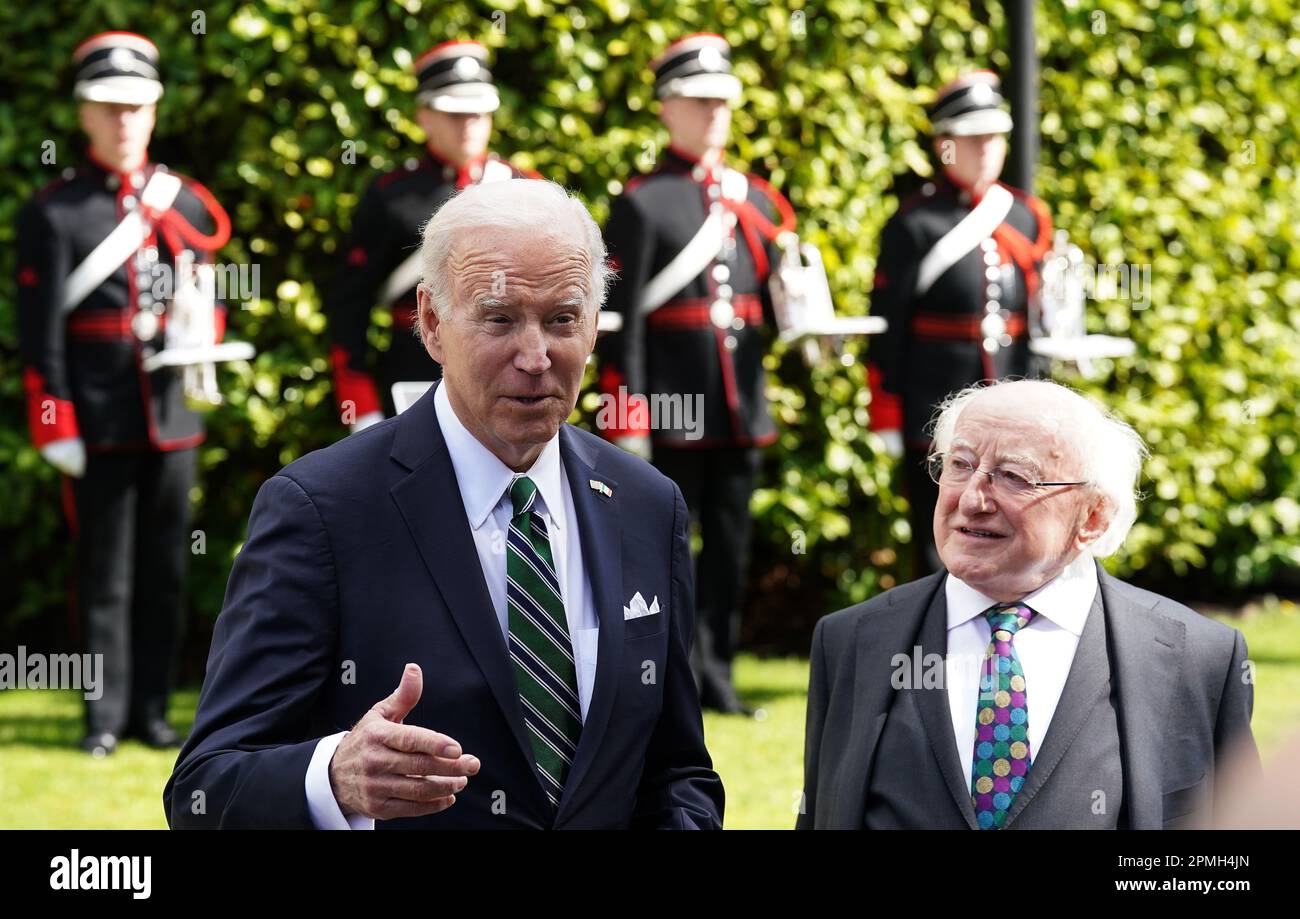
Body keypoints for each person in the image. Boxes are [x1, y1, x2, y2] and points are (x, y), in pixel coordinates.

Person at [165, 179, 723, 829]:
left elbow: (677, 770)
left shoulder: (647, 505)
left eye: (562, 318)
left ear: (596, 323)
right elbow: (204, 788)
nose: (536, 356)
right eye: (499, 317)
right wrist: (334, 778)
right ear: (432, 322)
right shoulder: (322, 510)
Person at [799, 380, 1261, 829]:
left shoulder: (1196, 658)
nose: (973, 499)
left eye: (1015, 477)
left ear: (1093, 516)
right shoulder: (852, 641)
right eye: (960, 464)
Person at [16, 31, 232, 756]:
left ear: (154, 110)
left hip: (172, 409)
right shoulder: (55, 211)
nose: (123, 121)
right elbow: (40, 334)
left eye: (136, 107)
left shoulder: (185, 202)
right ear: (84, 115)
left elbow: (207, 294)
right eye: (109, 107)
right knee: (103, 575)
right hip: (100, 412)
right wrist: (55, 421)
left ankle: (153, 712)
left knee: (167, 568)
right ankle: (102, 717)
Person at [598, 33, 796, 715]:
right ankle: (666, 678)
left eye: (721, 101)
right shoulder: (643, 202)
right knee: (664, 558)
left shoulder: (758, 201)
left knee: (730, 554)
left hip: (739, 407)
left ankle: (718, 675)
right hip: (671, 407)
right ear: (666, 108)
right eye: (698, 101)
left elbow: (776, 303)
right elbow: (616, 324)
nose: (713, 113)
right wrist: (627, 417)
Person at [867, 71, 1054, 576]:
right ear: (944, 144)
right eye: (973, 138)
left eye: (994, 137)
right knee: (941, 538)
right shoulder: (913, 223)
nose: (986, 149)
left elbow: (1036, 320)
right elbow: (890, 327)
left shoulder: (1025, 215)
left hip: (1014, 403)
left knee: (1017, 532)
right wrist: (886, 409)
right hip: (935, 407)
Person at [327, 39, 539, 431]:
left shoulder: (525, 188)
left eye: (479, 111)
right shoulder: (391, 195)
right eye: (454, 112)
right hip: (414, 379)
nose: (469, 122)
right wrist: (360, 403)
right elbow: (348, 306)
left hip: (511, 376)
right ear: (424, 116)